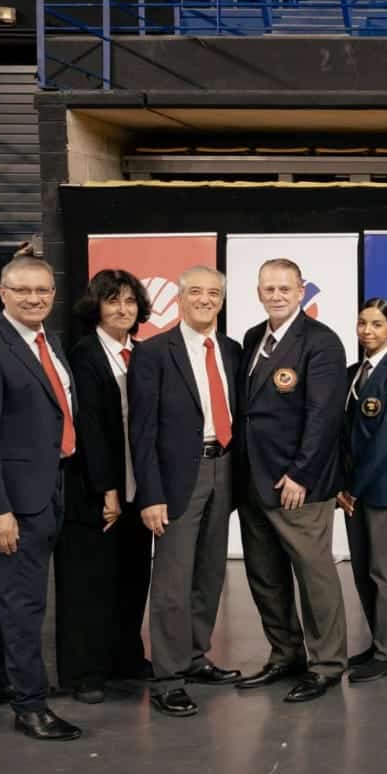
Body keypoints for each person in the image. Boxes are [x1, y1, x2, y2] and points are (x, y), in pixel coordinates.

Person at [0, 255, 83, 741]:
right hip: (16, 501)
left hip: (51, 486)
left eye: (43, 290)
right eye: (23, 290)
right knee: (25, 602)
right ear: (2, 292)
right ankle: (30, 706)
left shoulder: (46, 342)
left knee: (4, 592)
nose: (34, 298)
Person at [235, 258, 350, 704]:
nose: (277, 295)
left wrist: (300, 472)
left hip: (297, 483)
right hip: (254, 480)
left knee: (314, 574)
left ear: (302, 291)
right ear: (259, 292)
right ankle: (285, 653)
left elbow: (322, 417)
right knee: (265, 576)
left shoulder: (320, 343)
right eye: (269, 288)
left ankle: (325, 664)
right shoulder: (251, 338)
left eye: (285, 288)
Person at [131, 266, 244, 717]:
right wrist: (151, 494)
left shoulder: (232, 351)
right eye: (195, 292)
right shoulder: (155, 353)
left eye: (212, 293)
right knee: (173, 582)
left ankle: (195, 657)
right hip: (179, 476)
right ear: (179, 299)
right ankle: (168, 676)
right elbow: (141, 432)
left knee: (209, 575)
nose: (204, 299)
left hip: (224, 468)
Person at [56, 268, 153, 705]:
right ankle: (84, 673)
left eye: (130, 301)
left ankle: (126, 658)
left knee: (132, 578)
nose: (123, 309)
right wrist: (106, 489)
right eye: (113, 301)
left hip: (138, 486)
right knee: (88, 582)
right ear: (96, 306)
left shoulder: (145, 354)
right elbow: (89, 428)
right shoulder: (83, 355)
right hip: (96, 487)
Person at [338, 299, 387, 684]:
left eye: (377, 324)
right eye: (363, 323)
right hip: (353, 492)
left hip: (384, 490)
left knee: (385, 573)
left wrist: (354, 486)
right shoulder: (353, 373)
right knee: (363, 572)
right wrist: (342, 485)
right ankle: (376, 642)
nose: (368, 330)